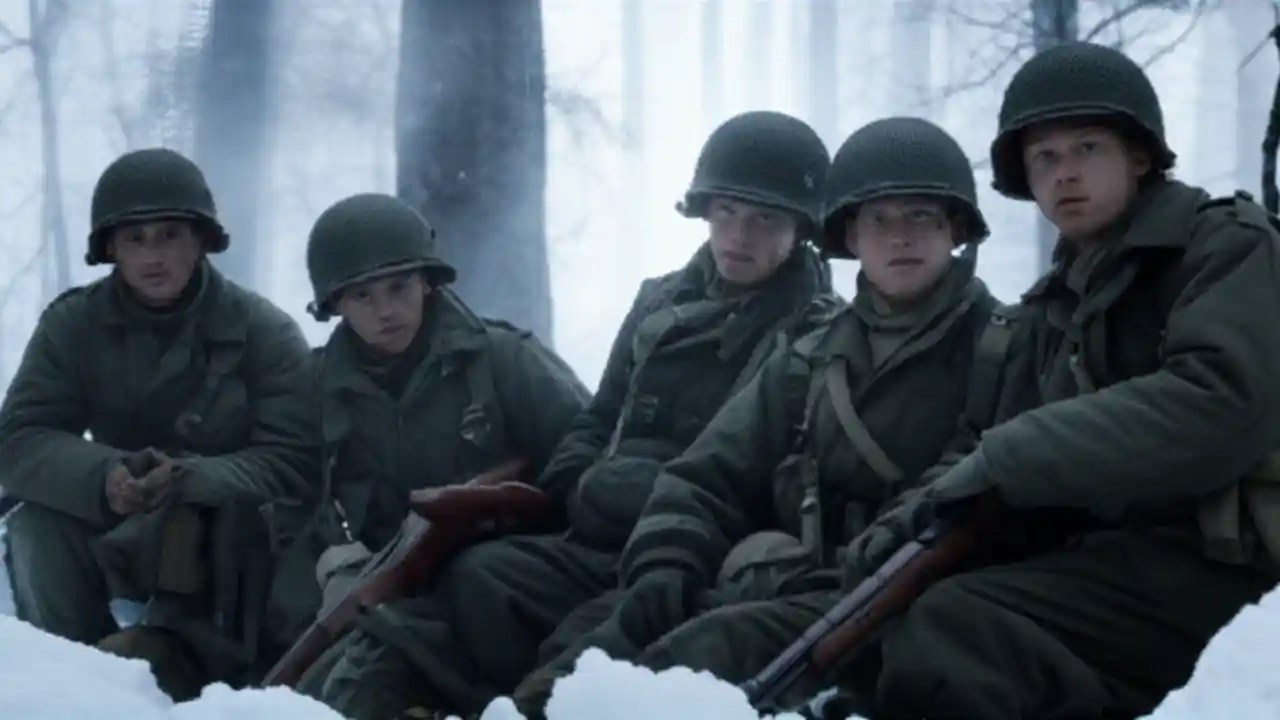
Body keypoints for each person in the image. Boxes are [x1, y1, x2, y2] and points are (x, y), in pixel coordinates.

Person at [803, 42, 1280, 719]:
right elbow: (990, 445)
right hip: (1115, 566)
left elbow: (1222, 404)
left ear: (1139, 157)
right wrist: (915, 521)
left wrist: (1012, 458)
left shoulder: (1225, 245)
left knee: (958, 633)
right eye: (1045, 158)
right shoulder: (1051, 307)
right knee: (896, 628)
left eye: (1088, 149)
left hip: (1232, 572)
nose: (1066, 174)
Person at [313, 111, 839, 719]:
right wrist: (576, 490)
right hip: (599, 538)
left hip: (698, 551)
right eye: (725, 213)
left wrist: (657, 506)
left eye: (763, 219)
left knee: (591, 644)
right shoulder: (661, 303)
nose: (738, 235)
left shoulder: (813, 335)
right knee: (483, 578)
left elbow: (773, 478)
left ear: (800, 229)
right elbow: (596, 420)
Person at [512, 115, 1017, 716]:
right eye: (879, 220)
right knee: (585, 650)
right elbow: (707, 476)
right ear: (850, 236)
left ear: (956, 230)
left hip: (905, 595)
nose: (899, 237)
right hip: (786, 580)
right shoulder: (811, 355)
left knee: (692, 658)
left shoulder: (1006, 346)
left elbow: (994, 477)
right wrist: (663, 571)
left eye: (921, 218)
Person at [0, 148, 318, 700]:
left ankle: (203, 680)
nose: (153, 256)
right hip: (118, 523)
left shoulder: (264, 332)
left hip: (227, 547)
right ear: (111, 250)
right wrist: (108, 477)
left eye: (170, 235)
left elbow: (297, 460)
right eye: (134, 238)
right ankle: (70, 683)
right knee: (35, 527)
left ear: (200, 240)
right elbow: (20, 439)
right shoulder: (73, 326)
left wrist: (195, 481)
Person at [295, 192, 591, 715]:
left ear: (428, 281)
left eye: (399, 286)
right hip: (389, 592)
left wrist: (519, 513)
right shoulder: (313, 392)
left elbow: (589, 457)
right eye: (362, 296)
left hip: (510, 593)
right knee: (314, 691)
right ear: (334, 304)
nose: (386, 310)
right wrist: (332, 563)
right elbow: (295, 505)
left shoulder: (506, 360)